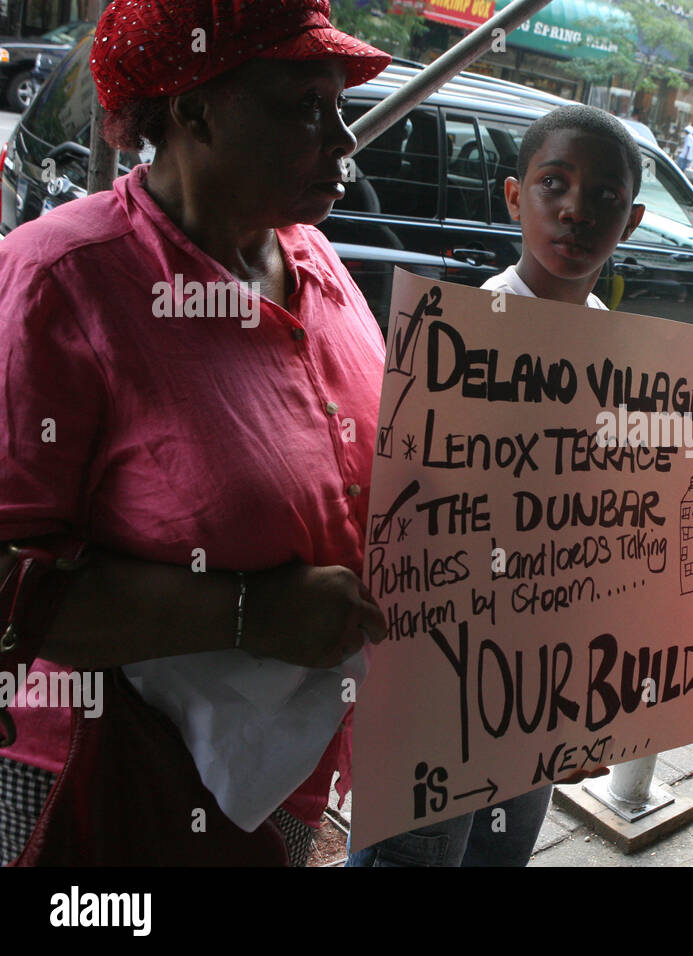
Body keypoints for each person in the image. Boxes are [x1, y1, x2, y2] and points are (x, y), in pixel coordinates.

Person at [0, 0, 390, 865]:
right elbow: (7, 583)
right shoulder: (60, 280)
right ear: (193, 107)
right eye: (306, 107)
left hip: (280, 779)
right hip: (99, 786)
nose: (345, 139)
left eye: (340, 105)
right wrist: (248, 612)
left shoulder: (316, 261)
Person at [346, 105, 693, 866]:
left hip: (545, 694)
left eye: (606, 197)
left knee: (497, 852)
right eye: (555, 184)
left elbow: (642, 502)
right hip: (444, 691)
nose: (577, 210)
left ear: (635, 218)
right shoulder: (460, 346)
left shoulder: (619, 351)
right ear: (515, 198)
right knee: (414, 857)